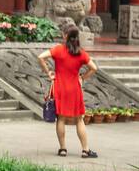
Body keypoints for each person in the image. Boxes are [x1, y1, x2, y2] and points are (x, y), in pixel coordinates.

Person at [38, 24, 98, 158]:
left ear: (65, 36)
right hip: (74, 88)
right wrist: (82, 77)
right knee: (79, 119)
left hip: (60, 87)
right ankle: (85, 150)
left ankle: (63, 149)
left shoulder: (59, 50)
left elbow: (41, 57)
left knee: (61, 118)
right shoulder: (80, 53)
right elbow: (94, 68)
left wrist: (48, 72)